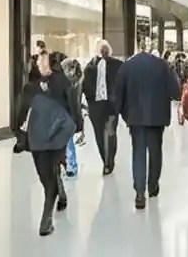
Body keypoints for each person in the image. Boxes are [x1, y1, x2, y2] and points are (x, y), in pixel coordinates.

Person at [14, 52, 81, 236]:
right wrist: (77, 126)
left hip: (38, 138)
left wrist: (19, 134)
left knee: (47, 176)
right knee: (54, 167)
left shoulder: (30, 87)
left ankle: (47, 218)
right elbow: (72, 105)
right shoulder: (62, 82)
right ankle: (57, 199)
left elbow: (21, 115)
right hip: (57, 134)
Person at [111, 48, 179, 209]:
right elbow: (176, 92)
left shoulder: (127, 66)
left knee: (138, 152)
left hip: (135, 117)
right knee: (155, 151)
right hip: (157, 117)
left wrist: (120, 112)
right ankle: (153, 187)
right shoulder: (163, 66)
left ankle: (139, 193)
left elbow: (118, 93)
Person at [82, 41, 122, 176]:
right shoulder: (118, 65)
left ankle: (106, 160)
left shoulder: (90, 67)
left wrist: (88, 103)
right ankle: (109, 161)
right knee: (110, 132)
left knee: (100, 134)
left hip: (96, 107)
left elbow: (85, 87)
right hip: (111, 105)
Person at [60, 56, 84, 178]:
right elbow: (77, 104)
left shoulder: (64, 83)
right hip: (70, 116)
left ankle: (69, 165)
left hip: (63, 115)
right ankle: (70, 166)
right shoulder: (76, 83)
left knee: (66, 142)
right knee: (68, 142)